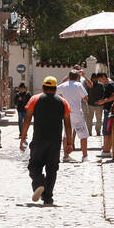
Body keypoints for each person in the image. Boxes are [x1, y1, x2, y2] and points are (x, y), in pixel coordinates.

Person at [20, 76, 72, 206]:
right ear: (55, 89)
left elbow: (27, 119)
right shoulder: (63, 102)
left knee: (34, 166)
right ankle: (48, 197)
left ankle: (39, 183)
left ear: (43, 88)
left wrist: (23, 137)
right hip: (55, 141)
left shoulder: (35, 99)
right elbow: (68, 124)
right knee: (52, 169)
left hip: (39, 140)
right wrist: (70, 143)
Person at [55, 69, 90, 162]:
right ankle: (85, 156)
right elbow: (86, 98)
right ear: (78, 77)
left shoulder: (64, 85)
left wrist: (62, 98)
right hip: (77, 113)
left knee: (66, 135)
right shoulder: (78, 85)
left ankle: (66, 156)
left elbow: (54, 92)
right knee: (83, 135)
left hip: (66, 113)